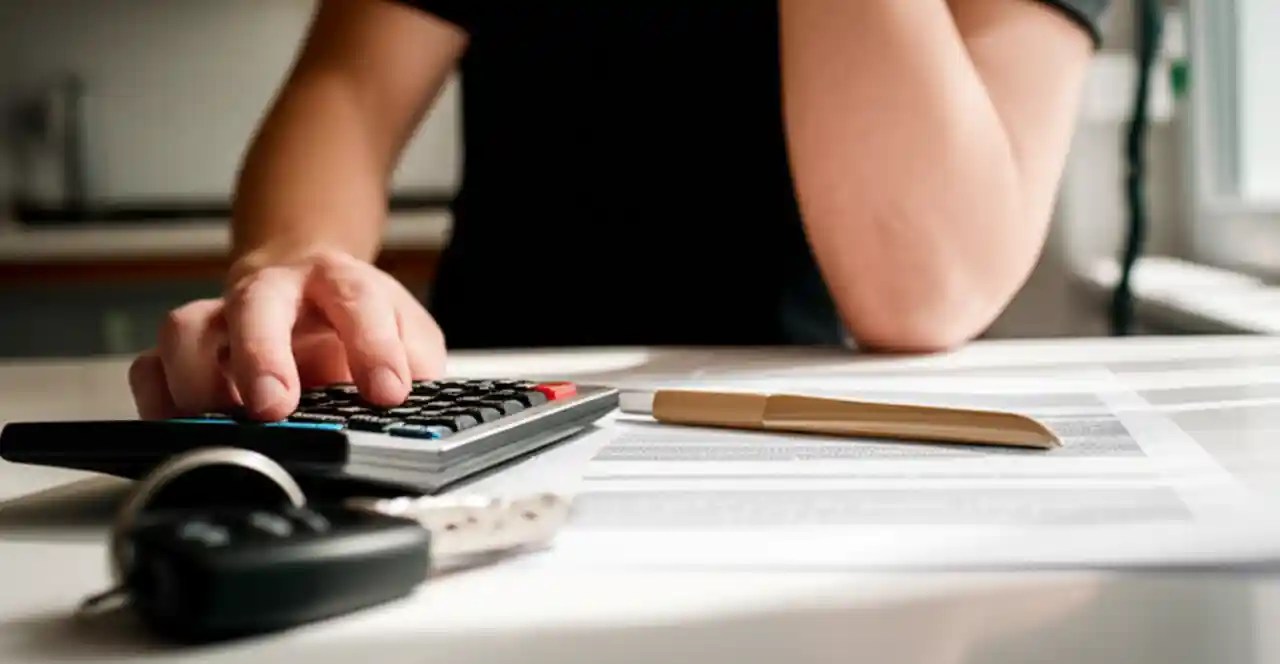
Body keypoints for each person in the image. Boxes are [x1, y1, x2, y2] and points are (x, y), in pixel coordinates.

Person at [129, 0, 1111, 422]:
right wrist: (300, 259)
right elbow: (347, 90)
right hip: (480, 416)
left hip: (824, 433)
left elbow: (920, 289)